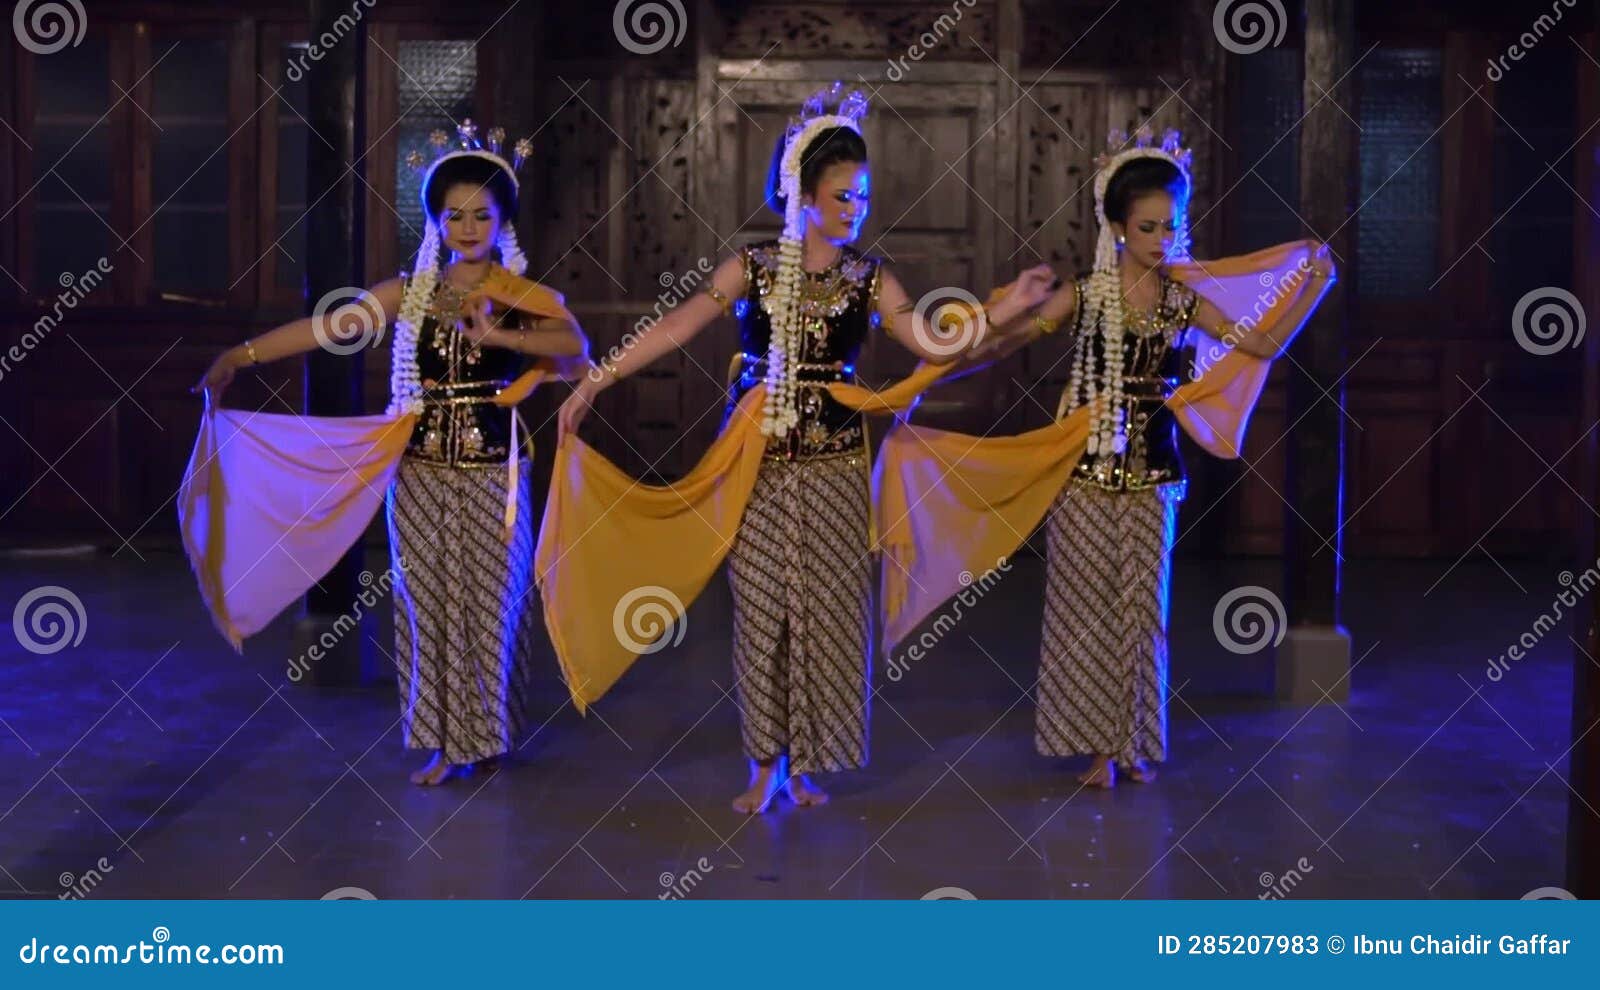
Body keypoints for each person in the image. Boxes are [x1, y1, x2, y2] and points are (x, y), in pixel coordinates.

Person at [547, 85, 1055, 813]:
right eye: (843, 196)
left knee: (828, 618)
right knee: (760, 615)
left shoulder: (870, 279)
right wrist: (595, 380)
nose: (856, 209)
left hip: (836, 468)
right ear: (803, 194)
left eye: (864, 196)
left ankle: (809, 764)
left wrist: (1007, 306)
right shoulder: (750, 268)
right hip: (755, 465)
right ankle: (763, 763)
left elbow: (933, 339)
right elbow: (679, 325)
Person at [874, 126, 1336, 788]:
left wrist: (1313, 284)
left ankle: (1134, 742)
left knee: (1144, 612)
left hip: (1153, 475)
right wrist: (938, 370)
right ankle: (1095, 749)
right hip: (1082, 472)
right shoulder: (1088, 296)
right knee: (1082, 611)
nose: (1161, 239)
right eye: (1147, 227)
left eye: (1170, 226)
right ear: (1118, 228)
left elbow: (1259, 346)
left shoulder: (1184, 301)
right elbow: (1005, 345)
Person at [188, 122, 586, 785]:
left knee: (490, 601)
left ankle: (482, 739)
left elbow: (573, 348)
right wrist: (242, 355)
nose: (466, 227)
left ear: (501, 220)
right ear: (434, 219)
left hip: (495, 469)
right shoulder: (409, 293)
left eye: (480, 215)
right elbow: (327, 328)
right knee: (424, 600)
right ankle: (439, 742)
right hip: (420, 466)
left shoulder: (519, 293)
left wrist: (500, 335)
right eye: (453, 214)